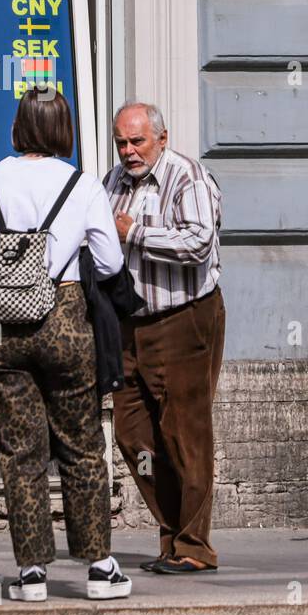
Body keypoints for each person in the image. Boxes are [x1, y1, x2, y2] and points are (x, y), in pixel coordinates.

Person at [0, 90, 131, 600]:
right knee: (81, 445)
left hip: (3, 324)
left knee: (19, 450)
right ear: (63, 130)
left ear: (18, 128)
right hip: (65, 317)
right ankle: (99, 567)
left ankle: (31, 573)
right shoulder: (80, 184)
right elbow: (112, 263)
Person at [103, 103, 225, 574]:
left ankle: (193, 546)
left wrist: (133, 232)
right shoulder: (112, 182)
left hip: (184, 317)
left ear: (161, 137)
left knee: (184, 434)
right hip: (129, 324)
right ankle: (174, 531)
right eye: (121, 142)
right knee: (132, 434)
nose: (128, 151)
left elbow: (197, 243)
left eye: (137, 141)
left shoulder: (187, 177)